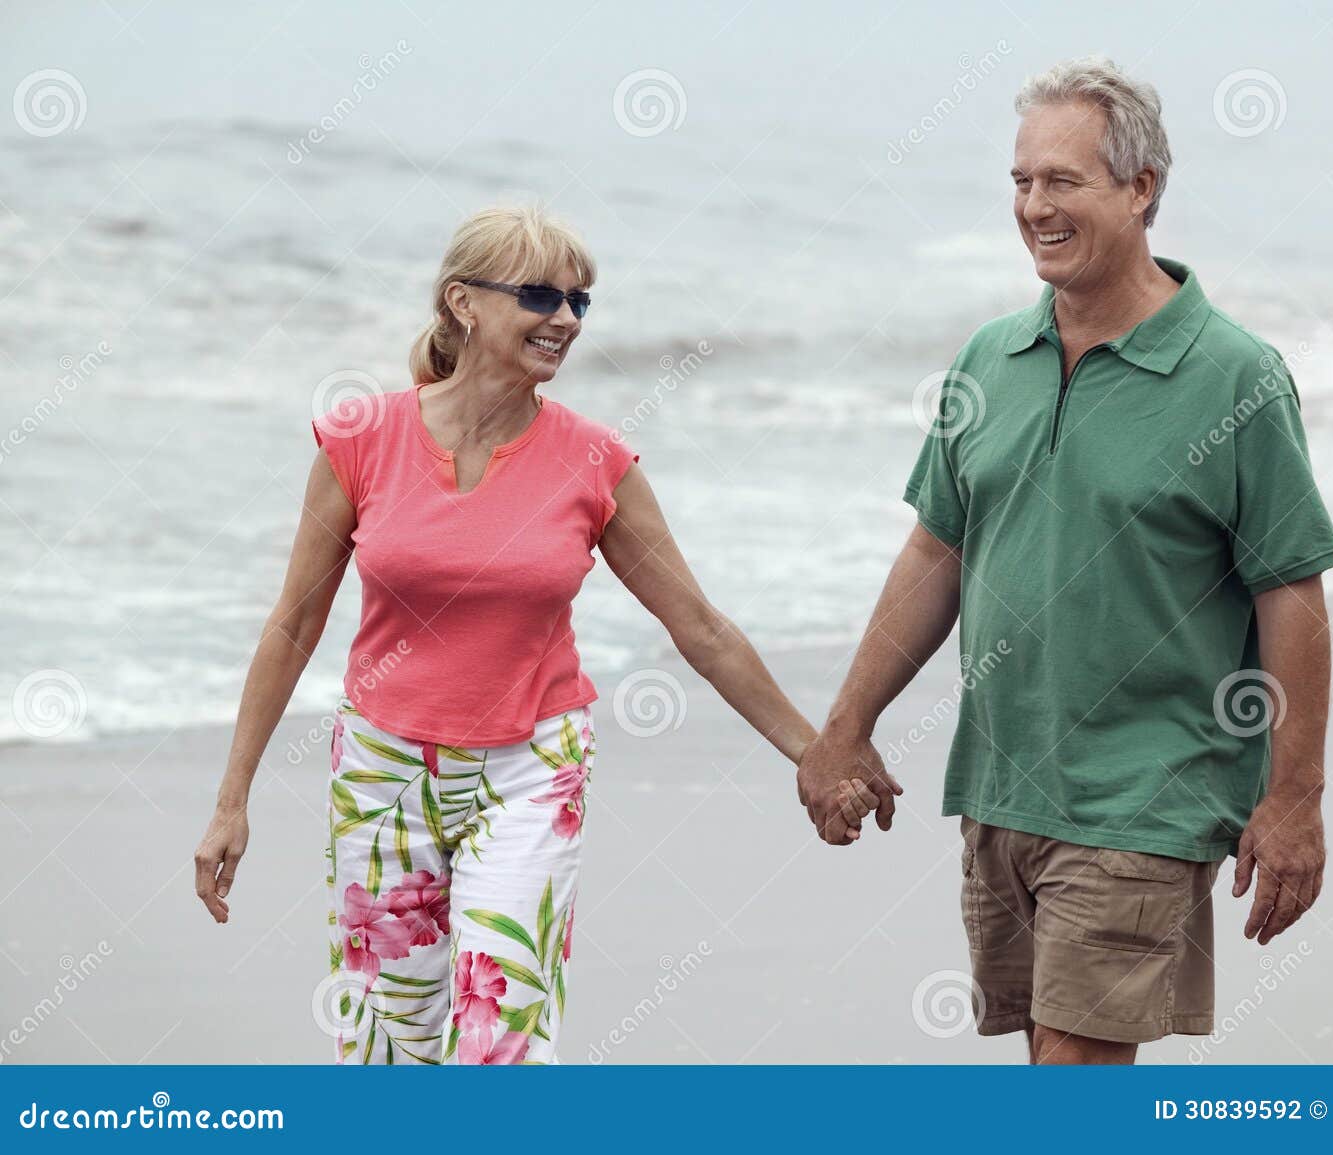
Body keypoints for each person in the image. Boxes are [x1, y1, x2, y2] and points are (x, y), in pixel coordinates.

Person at [193, 205, 862, 1064]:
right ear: (463, 303)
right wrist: (231, 800)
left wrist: (815, 753)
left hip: (532, 767)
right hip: (383, 770)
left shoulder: (594, 461)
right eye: (541, 296)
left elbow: (700, 628)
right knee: (385, 1048)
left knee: (497, 1045)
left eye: (580, 301)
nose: (566, 319)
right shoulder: (362, 438)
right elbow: (293, 625)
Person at [797, 57, 1333, 1065]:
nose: (1034, 207)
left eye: (1062, 180)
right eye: (1021, 181)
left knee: (1072, 1074)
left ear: (1141, 189)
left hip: (1145, 797)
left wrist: (1294, 797)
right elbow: (935, 551)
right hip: (1000, 790)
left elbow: (1290, 590)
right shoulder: (987, 360)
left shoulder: (1237, 378)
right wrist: (846, 726)